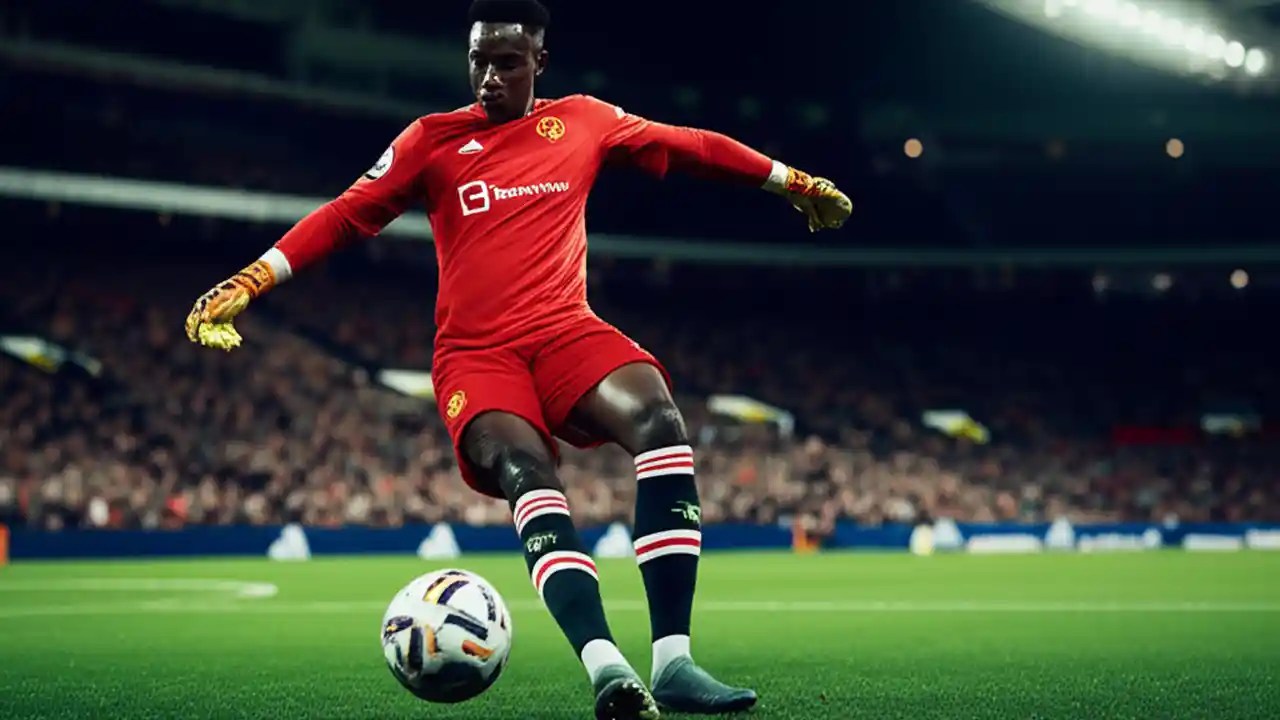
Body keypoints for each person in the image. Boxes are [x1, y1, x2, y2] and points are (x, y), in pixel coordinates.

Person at [184, 1, 851, 717]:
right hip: (477, 356)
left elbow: (689, 146)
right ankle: (607, 671)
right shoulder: (431, 142)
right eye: (479, 61)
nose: (490, 77)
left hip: (566, 330)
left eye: (507, 61)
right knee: (525, 470)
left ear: (539, 62)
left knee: (660, 421)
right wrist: (253, 277)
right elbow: (348, 213)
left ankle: (675, 662)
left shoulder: (584, 121)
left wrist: (793, 181)